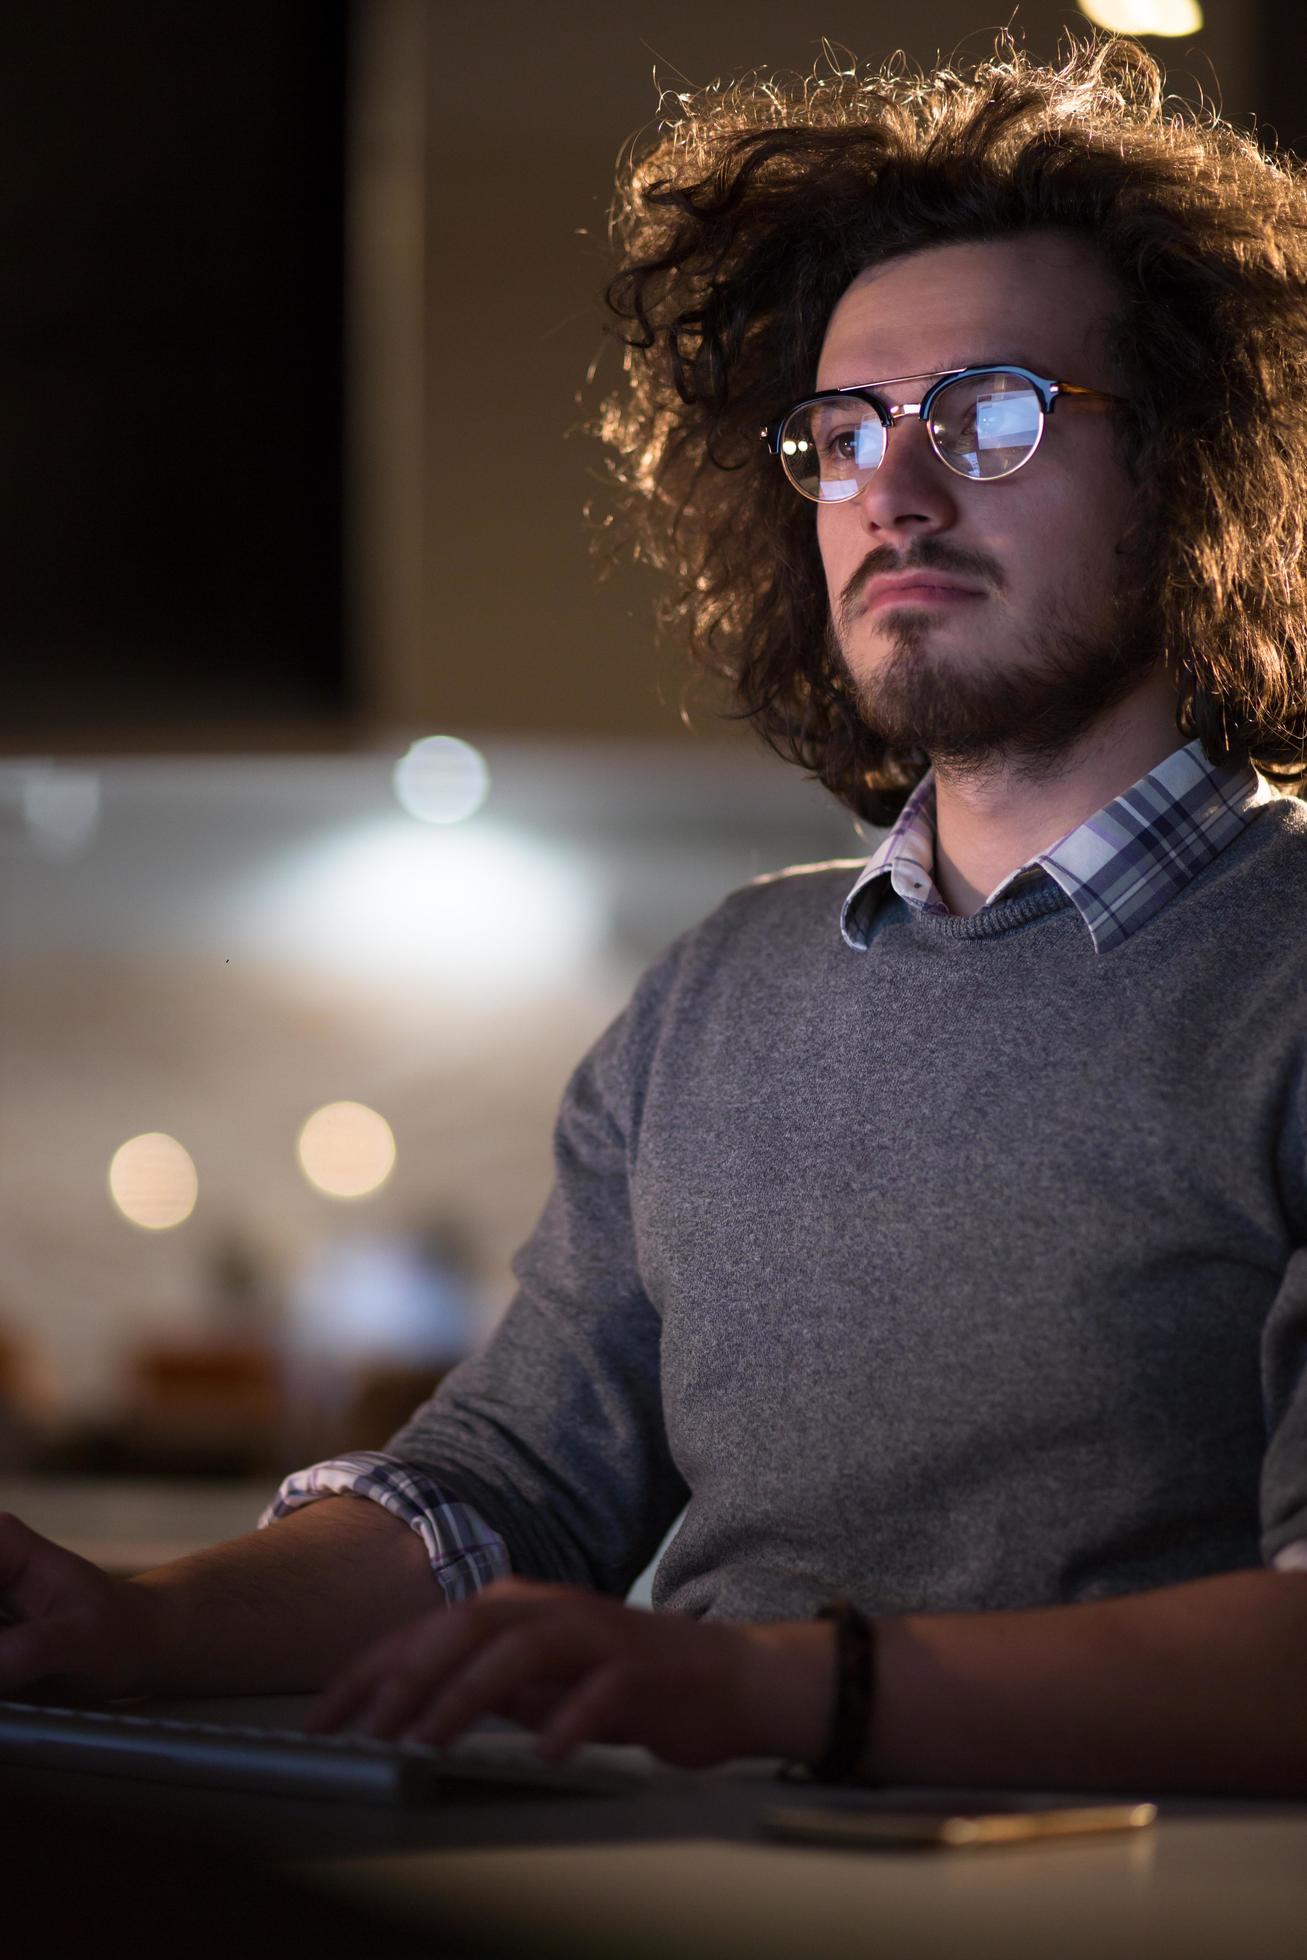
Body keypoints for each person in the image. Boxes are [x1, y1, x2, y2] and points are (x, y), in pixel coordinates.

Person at [4, 34, 1307, 1792]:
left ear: (1191, 469)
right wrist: (134, 1627)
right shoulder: (720, 989)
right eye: (842, 434)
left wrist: (780, 1694)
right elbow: (504, 1492)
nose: (895, 493)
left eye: (990, 414)